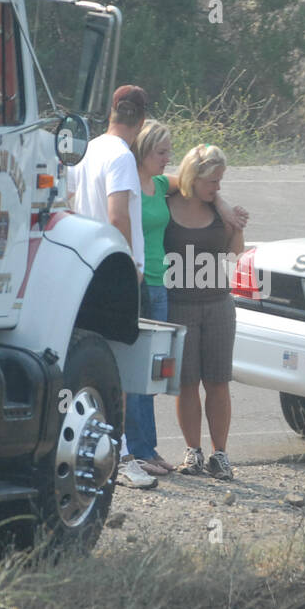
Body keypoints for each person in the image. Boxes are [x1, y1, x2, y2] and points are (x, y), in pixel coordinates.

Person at [67, 85, 155, 488]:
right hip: (113, 272)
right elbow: (119, 216)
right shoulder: (121, 156)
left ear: (111, 114)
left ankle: (92, 449)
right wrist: (130, 269)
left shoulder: (89, 149)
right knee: (117, 369)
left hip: (82, 266)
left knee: (88, 364)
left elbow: (68, 204)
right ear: (141, 120)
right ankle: (117, 457)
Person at [165, 144, 244, 481]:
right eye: (212, 181)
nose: (218, 187)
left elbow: (234, 257)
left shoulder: (219, 211)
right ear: (193, 177)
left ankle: (220, 454)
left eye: (220, 180)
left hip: (217, 305)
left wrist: (237, 226)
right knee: (186, 383)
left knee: (217, 382)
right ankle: (193, 452)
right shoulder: (166, 204)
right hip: (178, 305)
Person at [123, 119, 175, 476]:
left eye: (169, 151)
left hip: (161, 286)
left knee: (154, 376)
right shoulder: (129, 186)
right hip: (138, 284)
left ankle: (149, 448)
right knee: (137, 374)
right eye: (161, 152)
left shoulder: (158, 184)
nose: (167, 158)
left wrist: (221, 200)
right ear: (143, 151)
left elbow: (193, 178)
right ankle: (138, 451)